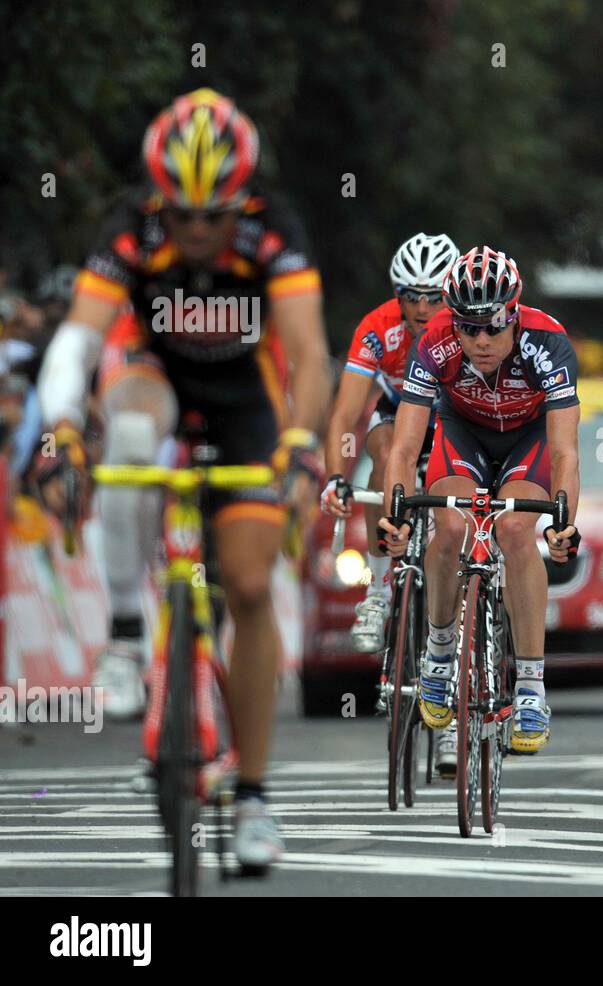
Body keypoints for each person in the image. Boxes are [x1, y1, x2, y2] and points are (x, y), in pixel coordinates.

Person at [35, 88, 330, 871]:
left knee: (251, 586)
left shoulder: (275, 232)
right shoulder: (132, 227)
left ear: (244, 199)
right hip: (153, 382)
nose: (197, 232)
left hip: (246, 408)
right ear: (159, 199)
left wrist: (302, 442)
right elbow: (75, 342)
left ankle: (256, 796)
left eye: (215, 215)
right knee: (127, 434)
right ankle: (128, 634)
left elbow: (306, 352)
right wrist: (63, 432)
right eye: (182, 215)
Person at [380, 247, 582, 754]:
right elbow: (404, 448)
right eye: (468, 328)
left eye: (493, 326)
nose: (481, 340)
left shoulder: (549, 343)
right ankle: (440, 654)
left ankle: (532, 687)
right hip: (463, 434)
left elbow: (563, 451)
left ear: (513, 314)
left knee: (515, 530)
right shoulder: (435, 343)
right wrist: (395, 514)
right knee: (450, 524)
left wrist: (563, 523)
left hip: (526, 440)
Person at [320, 232, 458, 773]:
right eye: (412, 297)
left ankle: (458, 695)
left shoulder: (464, 329)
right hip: (399, 418)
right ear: (397, 296)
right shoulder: (378, 329)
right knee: (382, 465)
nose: (423, 310)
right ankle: (380, 589)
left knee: (457, 515)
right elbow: (344, 415)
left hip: (452, 422)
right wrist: (334, 476)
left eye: (433, 297)